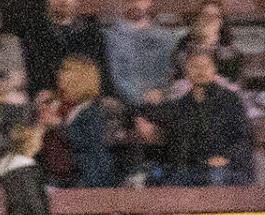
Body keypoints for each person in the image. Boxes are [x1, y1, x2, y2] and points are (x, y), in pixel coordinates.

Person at [137, 51, 254, 187]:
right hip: (190, 169)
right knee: (165, 181)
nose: (201, 71)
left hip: (224, 167)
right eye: (194, 67)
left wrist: (225, 157)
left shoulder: (230, 100)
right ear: (187, 71)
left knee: (215, 176)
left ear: (214, 70)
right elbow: (142, 111)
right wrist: (141, 121)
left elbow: (245, 137)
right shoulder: (180, 105)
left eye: (205, 66)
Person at [38, 56, 116, 189]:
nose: (59, 74)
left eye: (66, 70)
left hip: (81, 177)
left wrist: (59, 125)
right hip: (51, 176)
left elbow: (88, 141)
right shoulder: (55, 104)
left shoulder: (91, 110)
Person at [24, 0, 108, 97]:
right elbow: (34, 72)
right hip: (50, 95)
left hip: (88, 95)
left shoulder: (91, 32)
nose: (63, 1)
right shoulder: (35, 33)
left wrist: (106, 95)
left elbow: (102, 67)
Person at [105, 0, 178, 108]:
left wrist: (161, 93)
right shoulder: (110, 37)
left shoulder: (165, 37)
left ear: (149, 2)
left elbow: (172, 71)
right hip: (125, 107)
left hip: (161, 105)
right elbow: (114, 74)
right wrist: (140, 97)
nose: (135, 4)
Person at [173, 0, 244, 86]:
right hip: (191, 86)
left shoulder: (227, 43)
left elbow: (233, 73)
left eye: (215, 16)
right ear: (198, 18)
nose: (211, 19)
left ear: (221, 20)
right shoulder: (185, 42)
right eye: (206, 15)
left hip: (222, 88)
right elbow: (179, 70)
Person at [0, 124, 50, 215]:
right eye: (38, 140)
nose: (41, 143)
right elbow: (34, 198)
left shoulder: (7, 163)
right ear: (30, 144)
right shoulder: (27, 169)